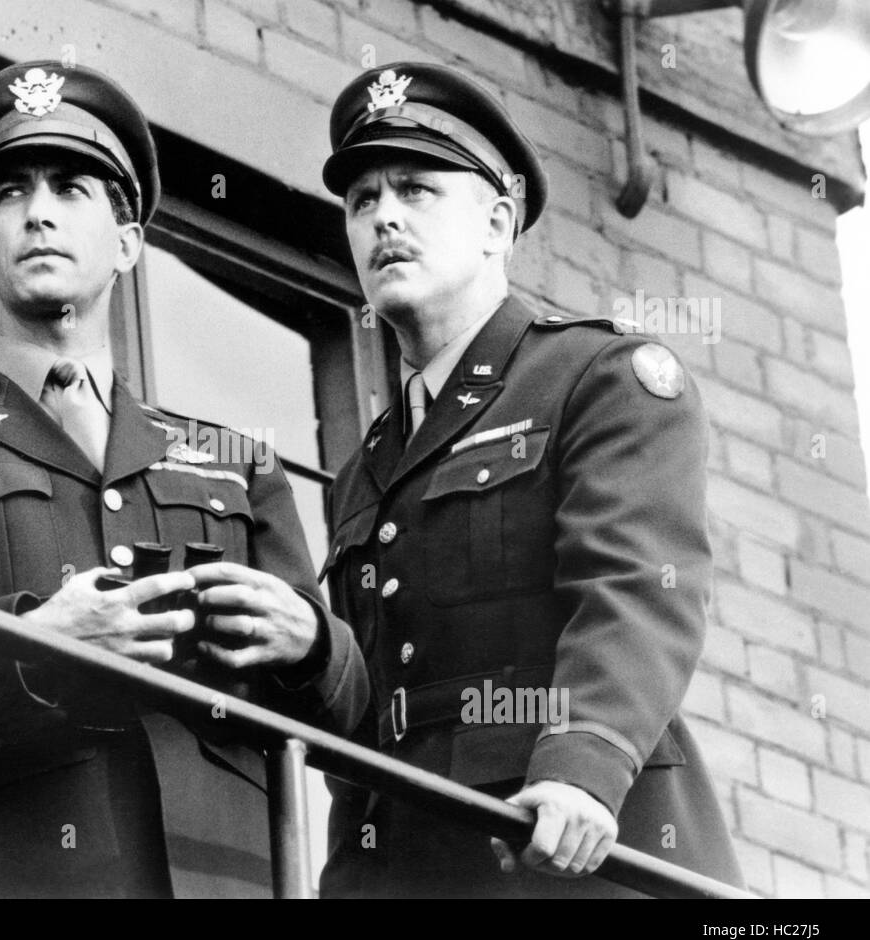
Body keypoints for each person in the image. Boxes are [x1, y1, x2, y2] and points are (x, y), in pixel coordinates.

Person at [0, 61, 367, 898]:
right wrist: (33, 648)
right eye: (10, 194)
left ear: (129, 244)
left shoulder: (241, 467)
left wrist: (315, 646)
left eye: (71, 189)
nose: (37, 214)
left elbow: (348, 717)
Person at [315, 62, 743, 897]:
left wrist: (585, 766)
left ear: (498, 222)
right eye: (363, 202)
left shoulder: (599, 376)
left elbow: (637, 591)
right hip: (413, 861)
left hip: (572, 850)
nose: (385, 218)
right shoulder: (363, 469)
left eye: (415, 188)